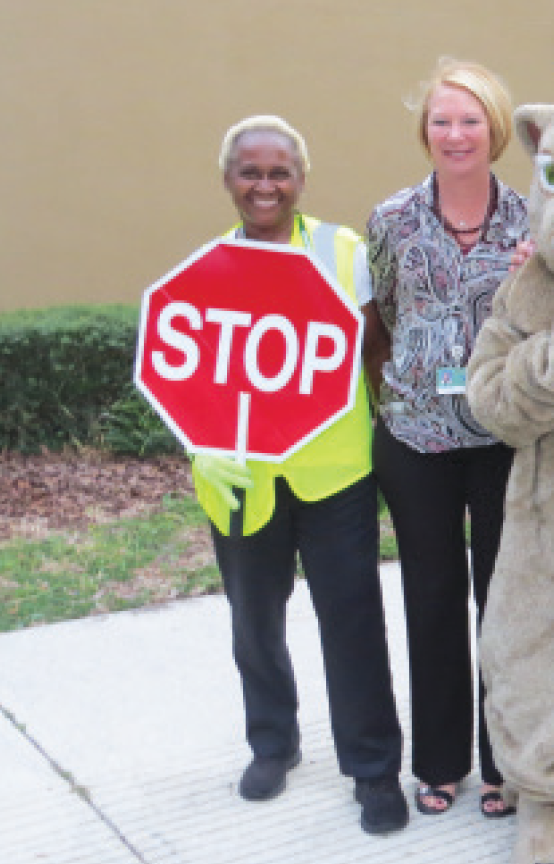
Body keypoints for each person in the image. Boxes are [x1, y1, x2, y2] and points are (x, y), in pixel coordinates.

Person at [190, 115, 408, 835]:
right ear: (228, 180)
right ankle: (272, 746)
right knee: (255, 620)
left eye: (278, 171)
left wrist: (399, 432)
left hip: (335, 473)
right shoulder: (206, 268)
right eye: (250, 172)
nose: (264, 185)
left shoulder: (340, 250)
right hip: (245, 479)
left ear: (300, 179)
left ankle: (373, 769)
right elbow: (188, 373)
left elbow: (374, 348)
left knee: (352, 621)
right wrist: (200, 446)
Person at [362, 58, 528, 820]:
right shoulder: (391, 218)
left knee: (504, 602)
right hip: (415, 437)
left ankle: (504, 762)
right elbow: (382, 319)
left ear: (493, 130)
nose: (454, 134)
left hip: (504, 436)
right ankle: (438, 761)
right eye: (440, 120)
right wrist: (395, 396)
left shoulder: (533, 221)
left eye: (469, 120)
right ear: (423, 132)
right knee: (430, 596)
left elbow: (550, 326)